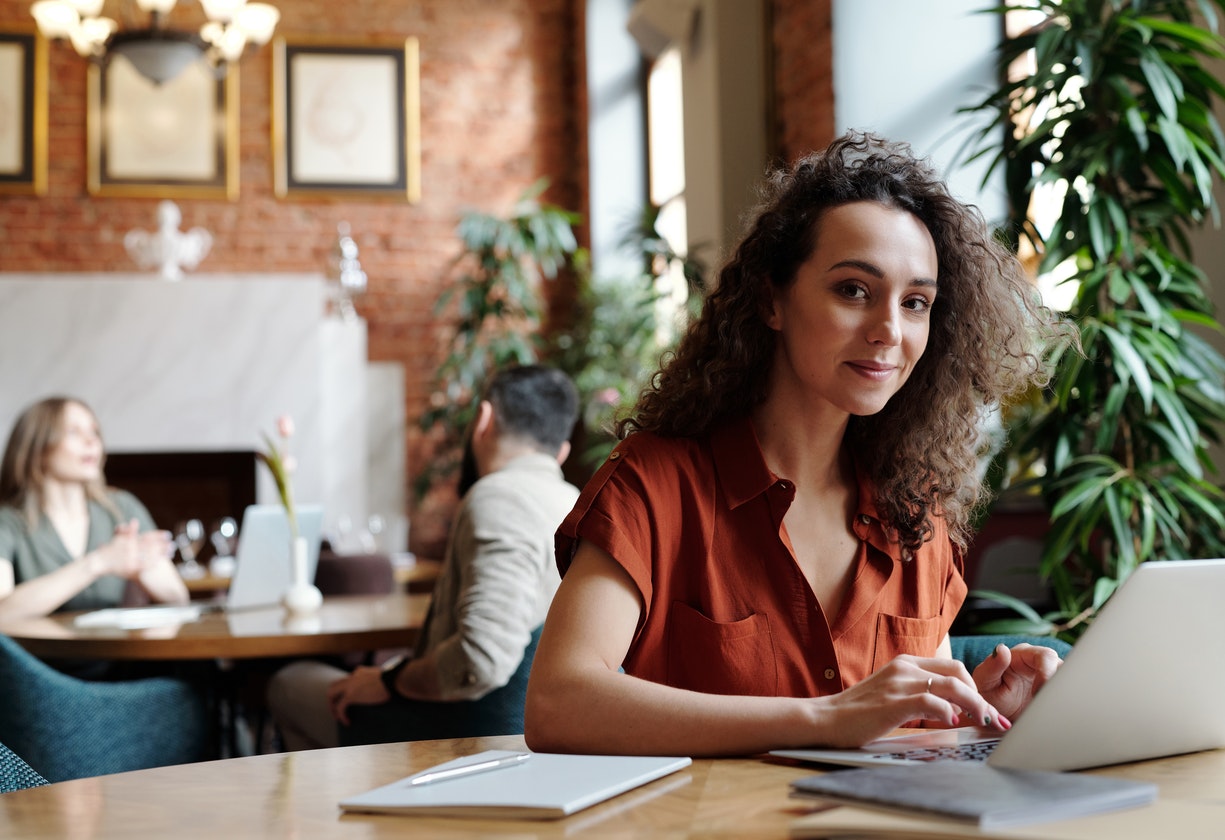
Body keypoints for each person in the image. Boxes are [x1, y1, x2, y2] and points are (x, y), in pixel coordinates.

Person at [524, 132, 1069, 758]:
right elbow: (558, 704)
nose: (889, 330)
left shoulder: (918, 512)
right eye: (853, 290)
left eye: (916, 302)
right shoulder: (655, 484)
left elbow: (908, 738)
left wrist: (978, 718)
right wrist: (823, 718)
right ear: (771, 299)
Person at [266, 364, 581, 749]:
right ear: (561, 450)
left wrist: (389, 681)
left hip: (468, 732)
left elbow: (480, 661)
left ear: (482, 420)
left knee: (289, 683)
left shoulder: (500, 498)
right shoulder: (578, 502)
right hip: (538, 725)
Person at [0, 397, 187, 622]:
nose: (91, 441)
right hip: (38, 657)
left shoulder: (122, 508)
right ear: (37, 449)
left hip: (115, 653)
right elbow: (3, 611)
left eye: (94, 432)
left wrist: (140, 566)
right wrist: (98, 562)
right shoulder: (9, 522)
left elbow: (179, 598)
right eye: (73, 432)